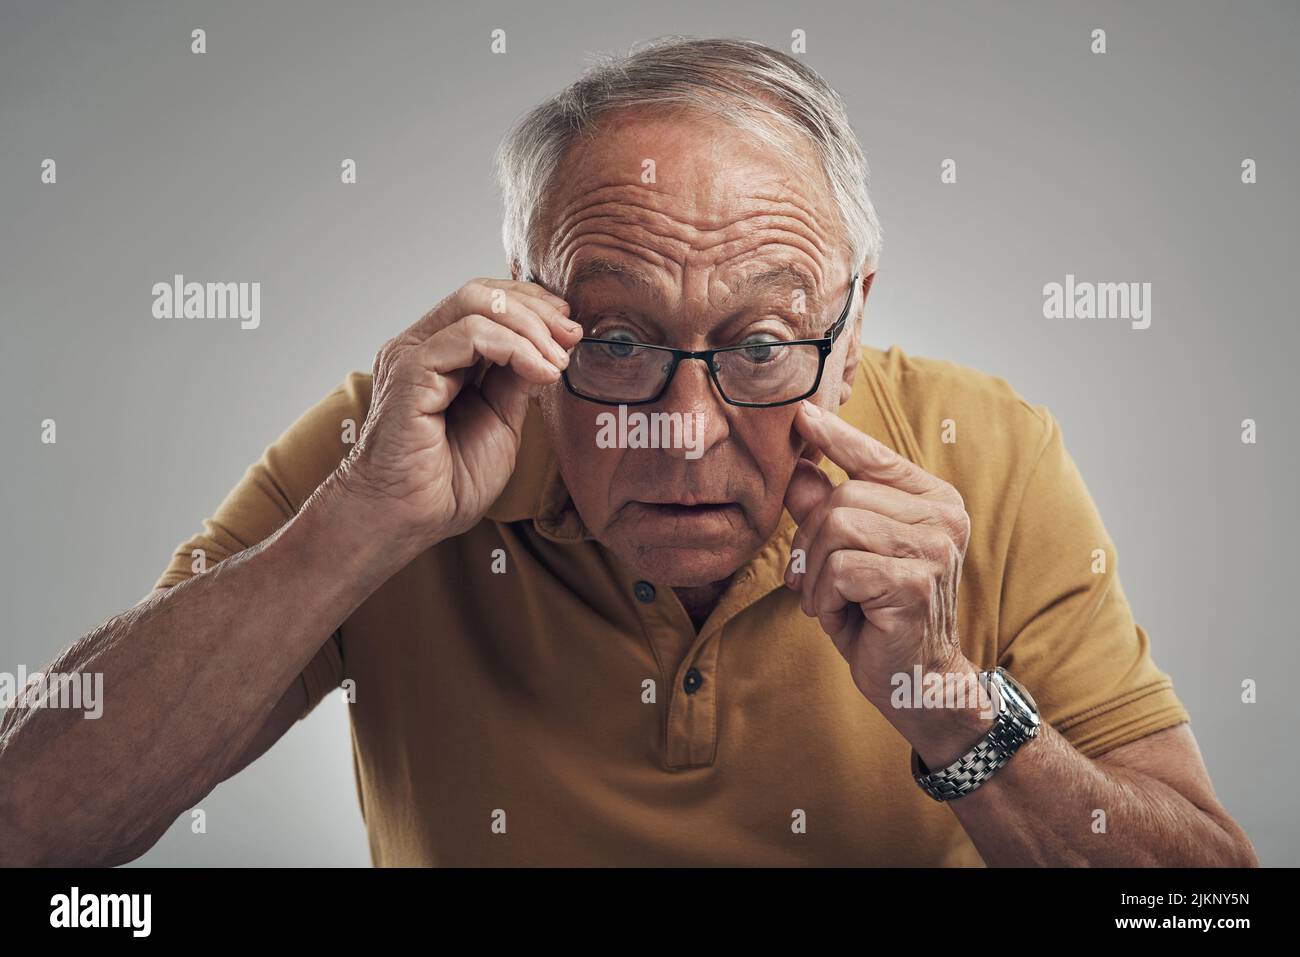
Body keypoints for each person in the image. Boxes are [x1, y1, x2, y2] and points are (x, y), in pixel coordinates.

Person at [0, 37, 1256, 867]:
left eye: (760, 344)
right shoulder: (398, 437)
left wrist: (945, 700)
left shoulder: (988, 450)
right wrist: (356, 527)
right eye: (613, 339)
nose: (685, 431)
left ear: (854, 321)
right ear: (522, 301)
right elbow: (29, 831)